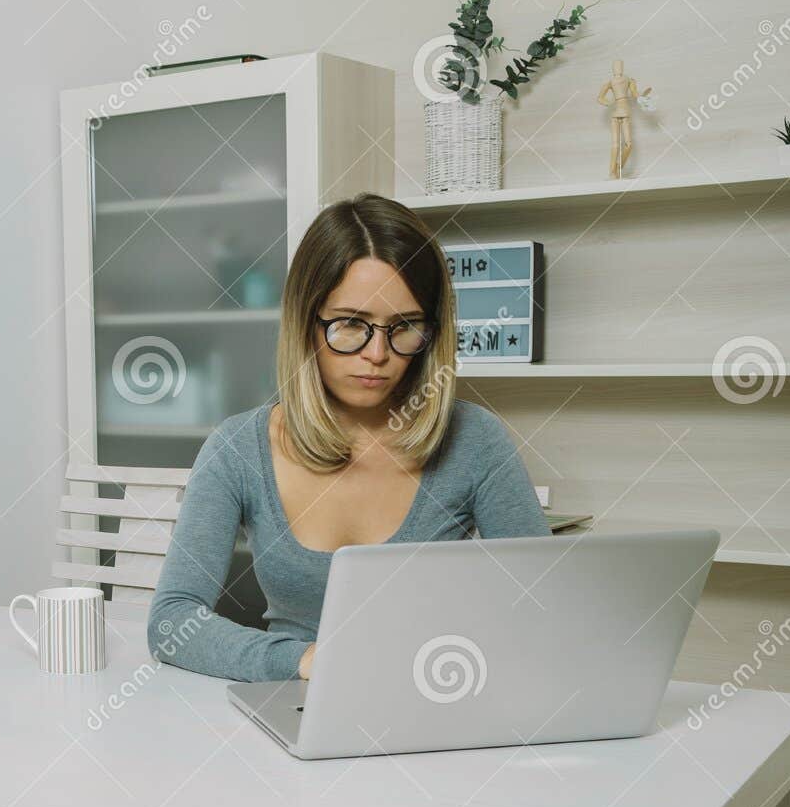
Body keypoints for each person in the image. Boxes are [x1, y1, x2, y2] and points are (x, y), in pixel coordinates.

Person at [149, 192, 549, 686]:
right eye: (350, 325)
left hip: (436, 697)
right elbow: (173, 621)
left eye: (404, 327)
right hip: (293, 697)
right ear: (306, 322)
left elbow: (541, 605)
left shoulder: (476, 441)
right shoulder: (237, 448)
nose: (377, 354)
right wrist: (302, 660)